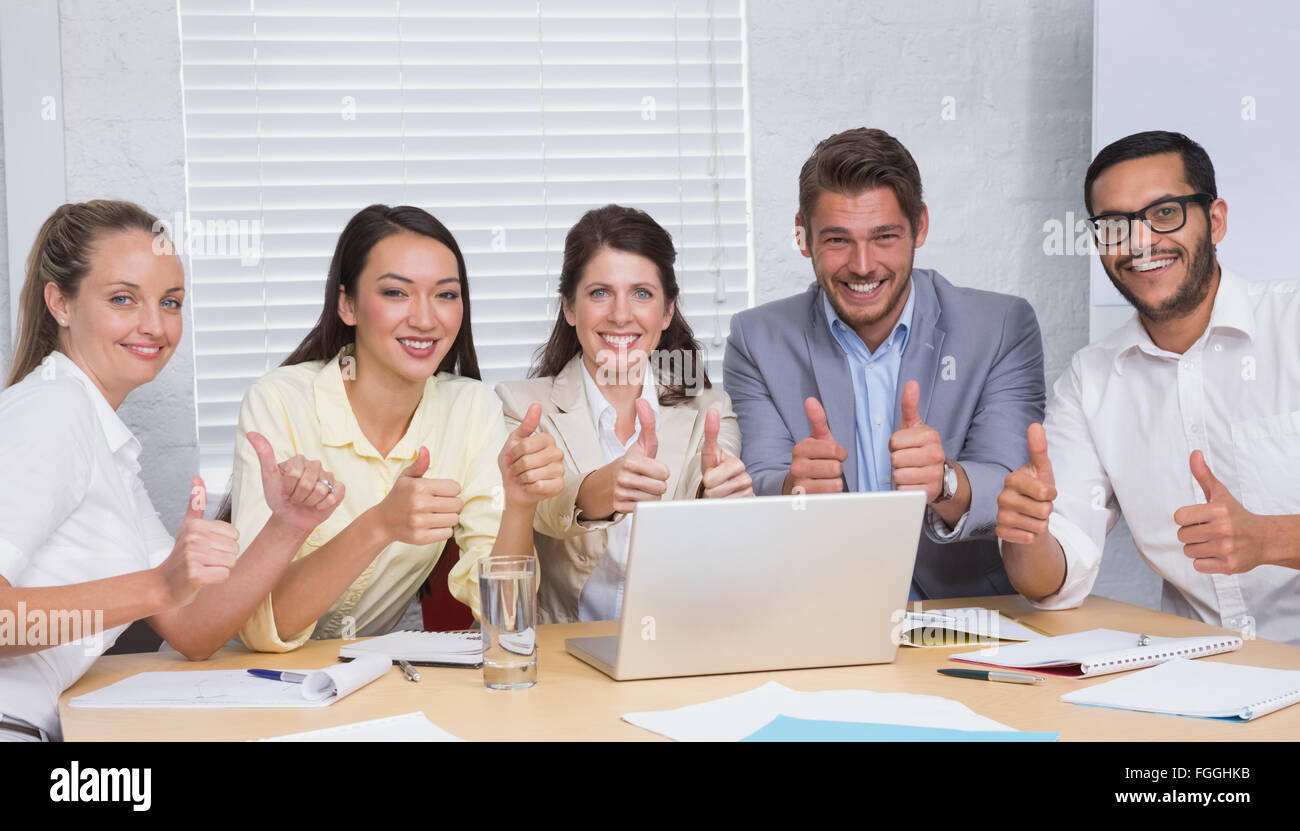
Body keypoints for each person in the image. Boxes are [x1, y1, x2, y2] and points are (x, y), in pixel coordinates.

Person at [0, 200, 342, 741]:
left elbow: (192, 629)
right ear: (60, 303)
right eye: (122, 299)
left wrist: (290, 524)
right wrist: (158, 585)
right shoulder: (51, 411)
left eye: (171, 302)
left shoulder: (101, 437)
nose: (155, 326)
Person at [996, 131, 1300, 644]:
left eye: (1164, 214)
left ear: (1217, 220)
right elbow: (1051, 582)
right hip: (1202, 677)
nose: (1140, 243)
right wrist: (1026, 534)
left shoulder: (1290, 325)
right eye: (1116, 225)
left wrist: (1269, 539)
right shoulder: (1091, 381)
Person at [724, 127, 1046, 599]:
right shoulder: (758, 338)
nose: (862, 265)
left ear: (920, 226)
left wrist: (944, 481)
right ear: (804, 236)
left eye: (885, 237)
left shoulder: (1000, 326)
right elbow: (755, 484)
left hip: (967, 616)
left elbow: (1011, 483)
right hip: (821, 611)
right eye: (837, 240)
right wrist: (794, 486)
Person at [227, 204, 564, 652]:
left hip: (366, 682)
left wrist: (520, 506)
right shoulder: (280, 402)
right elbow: (262, 629)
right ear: (347, 304)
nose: (426, 319)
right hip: (238, 679)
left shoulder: (471, 407)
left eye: (446, 294)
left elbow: (506, 620)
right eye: (396, 293)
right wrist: (379, 525)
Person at [495, 205, 753, 623]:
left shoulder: (710, 410)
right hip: (563, 659)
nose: (620, 314)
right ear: (570, 308)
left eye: (642, 293)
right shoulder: (520, 407)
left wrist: (721, 501)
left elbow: (713, 508)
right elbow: (541, 510)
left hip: (671, 648)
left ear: (667, 311)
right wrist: (600, 491)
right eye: (600, 293)